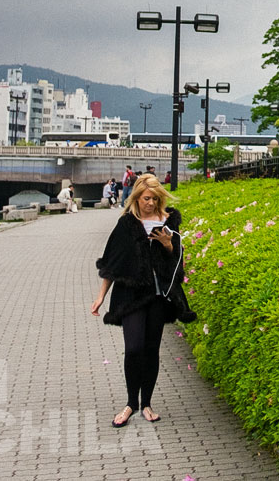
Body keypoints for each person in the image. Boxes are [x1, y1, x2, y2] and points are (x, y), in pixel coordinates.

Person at [91, 173, 195, 428]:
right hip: (131, 295)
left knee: (151, 350)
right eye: (147, 198)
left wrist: (168, 244)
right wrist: (100, 297)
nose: (151, 203)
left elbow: (177, 260)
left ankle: (146, 403)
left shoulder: (169, 220)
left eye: (155, 198)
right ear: (137, 197)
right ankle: (130, 403)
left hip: (158, 296)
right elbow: (112, 262)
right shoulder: (126, 224)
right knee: (134, 347)